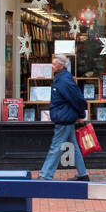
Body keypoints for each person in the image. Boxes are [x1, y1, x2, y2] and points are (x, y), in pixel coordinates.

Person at [39, 52, 89, 181]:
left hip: (64, 119)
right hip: (65, 116)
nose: (52, 65)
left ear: (61, 65)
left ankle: (46, 175)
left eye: (55, 63)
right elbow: (75, 98)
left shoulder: (64, 80)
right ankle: (83, 174)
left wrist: (81, 114)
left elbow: (77, 98)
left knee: (55, 147)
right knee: (75, 146)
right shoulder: (62, 78)